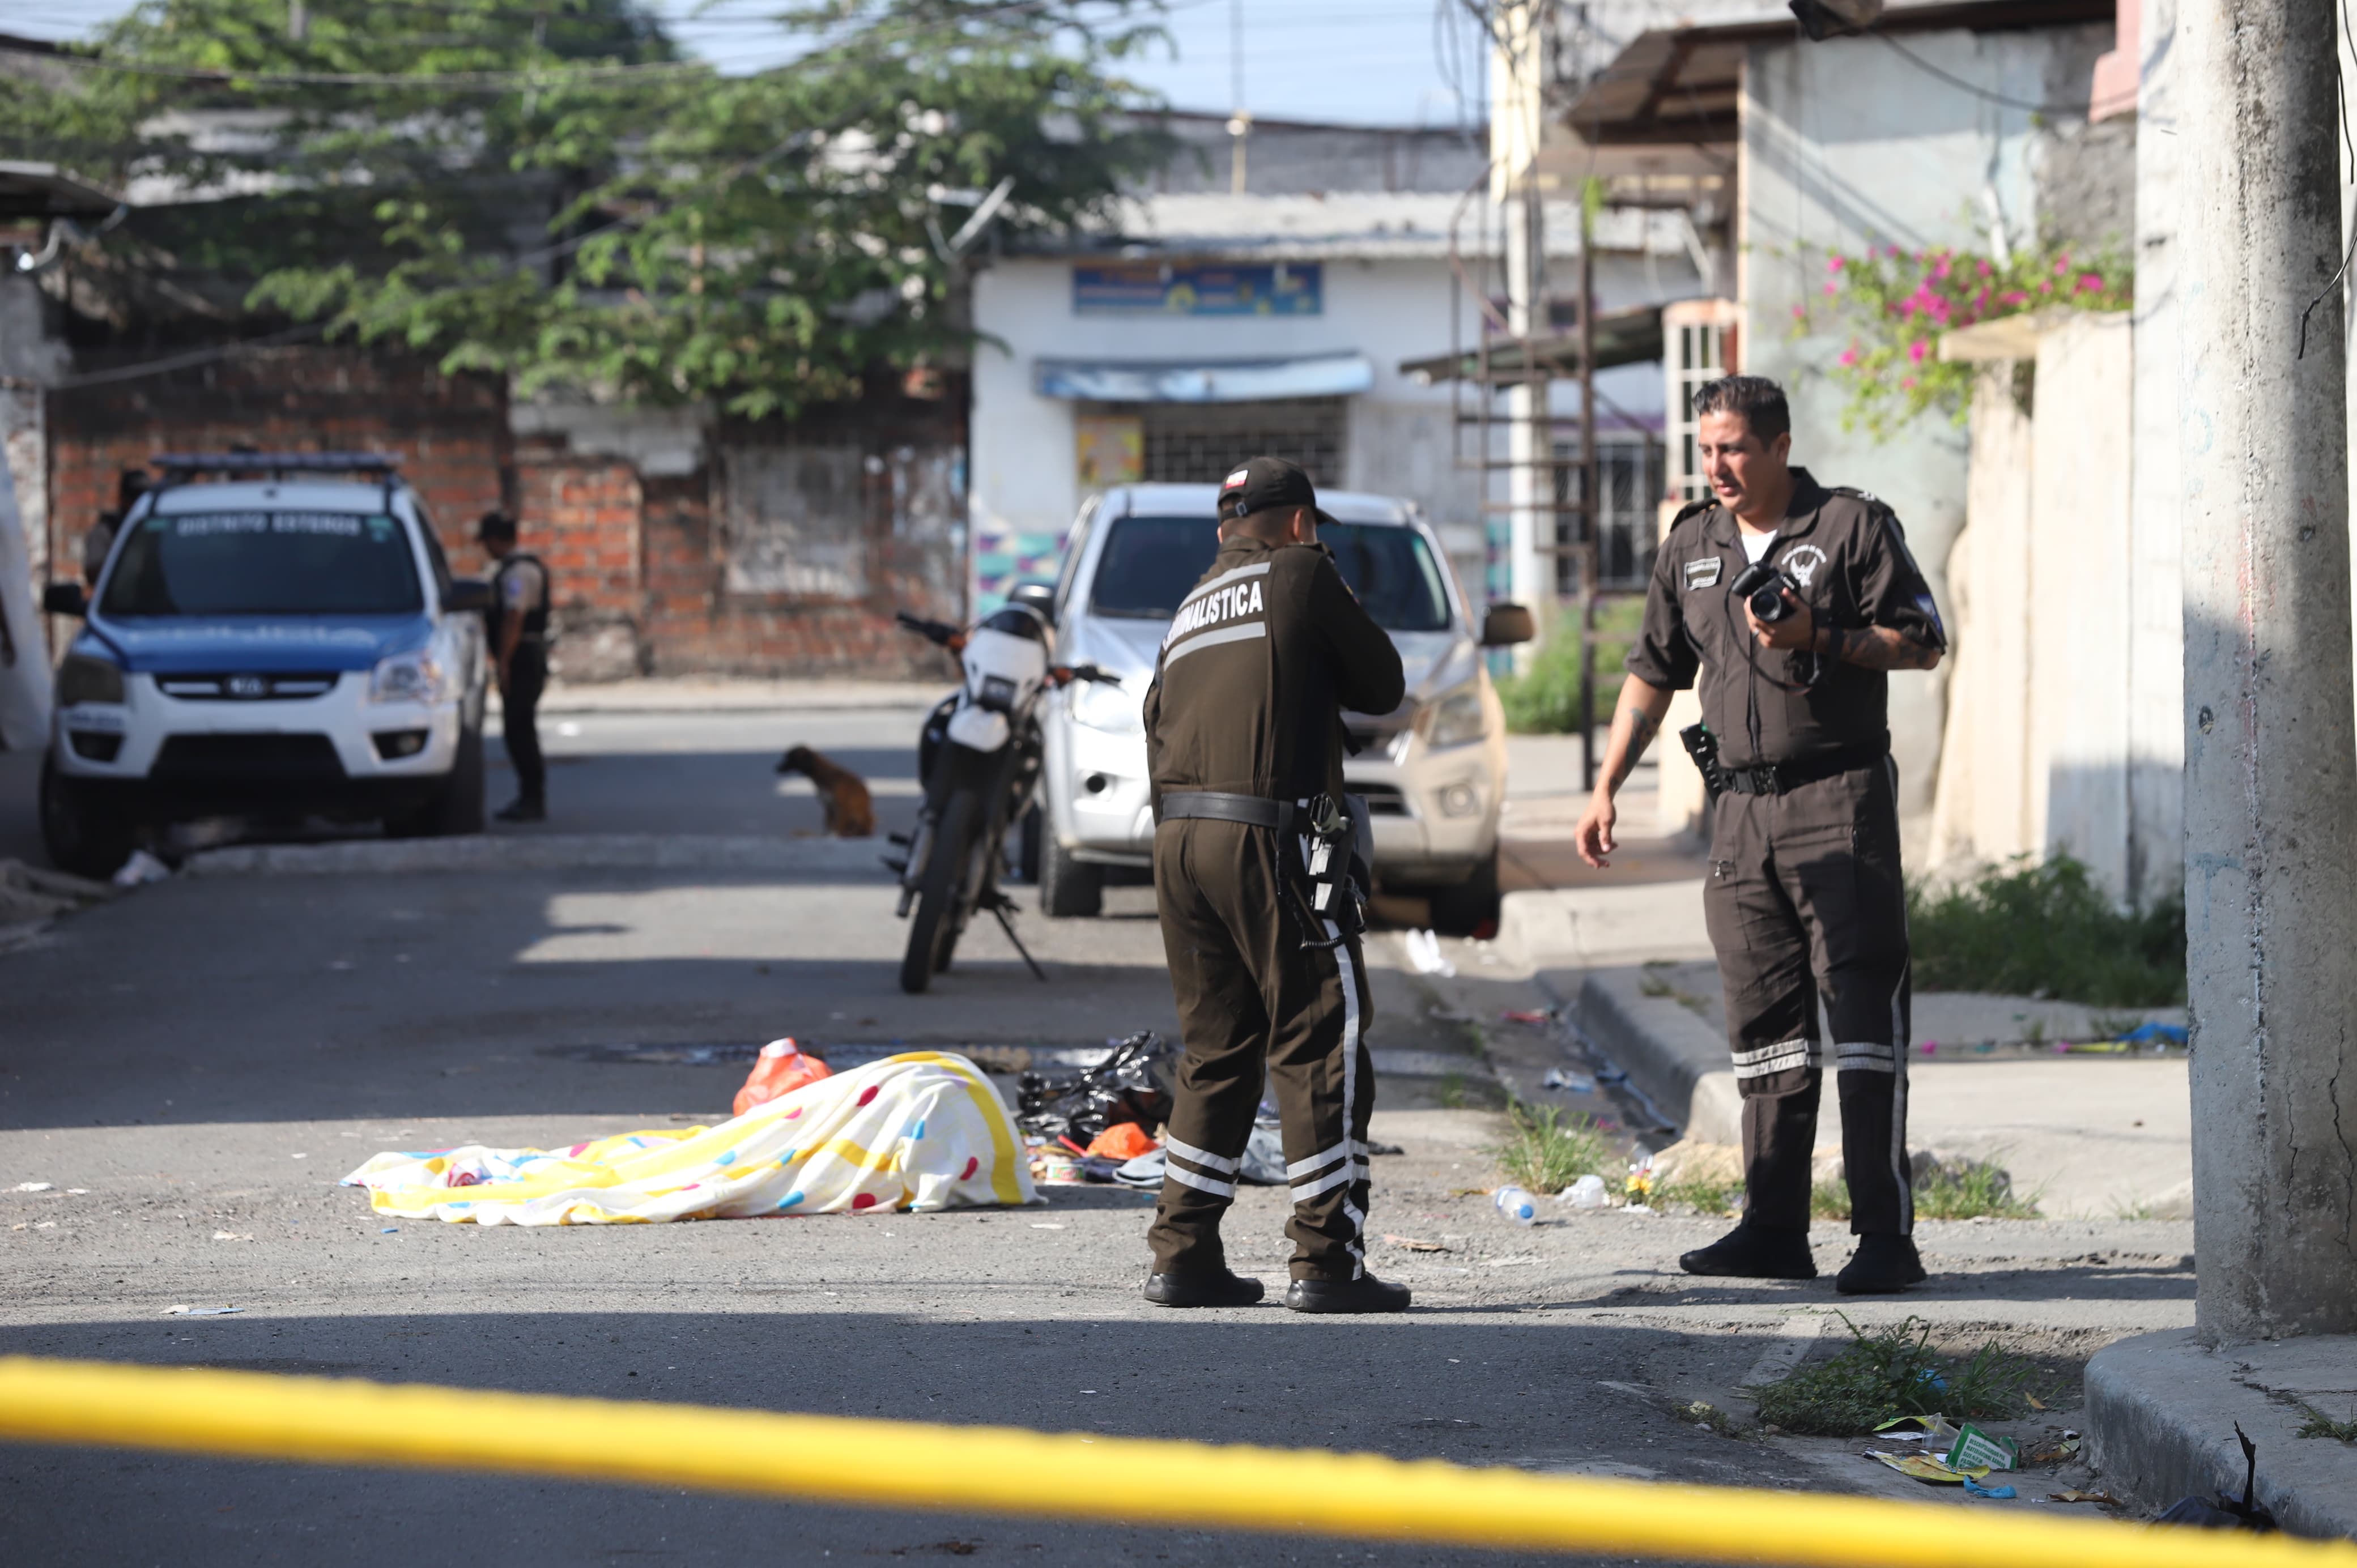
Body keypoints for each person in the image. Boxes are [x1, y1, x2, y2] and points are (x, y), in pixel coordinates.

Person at [1573, 375, 1947, 1295]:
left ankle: (1884, 1235)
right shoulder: (1692, 543)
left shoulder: (1851, 528)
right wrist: (1605, 783)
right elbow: (1652, 673)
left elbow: (1924, 639)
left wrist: (1819, 634)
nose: (1718, 465)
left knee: (1861, 1024)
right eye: (1707, 449)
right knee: (1765, 1033)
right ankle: (1775, 1226)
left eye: (1735, 447)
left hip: (1839, 800)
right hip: (1737, 816)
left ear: (1779, 444)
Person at [1139, 456, 1409, 1313]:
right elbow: (1384, 682)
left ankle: (1182, 1254)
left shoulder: (1187, 610)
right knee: (1321, 1034)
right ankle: (1328, 1263)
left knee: (1217, 1050)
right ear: (1299, 522)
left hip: (1179, 842)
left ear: (1226, 527)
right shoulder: (1301, 572)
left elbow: (1156, 720)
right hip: (1267, 836)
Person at [479, 510, 551, 824]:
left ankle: (532, 799)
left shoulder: (519, 573)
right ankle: (529, 797)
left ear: (496, 539)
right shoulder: (515, 569)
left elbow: (513, 619)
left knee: (519, 729)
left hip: (523, 656)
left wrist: (504, 662)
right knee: (518, 728)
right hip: (524, 654)